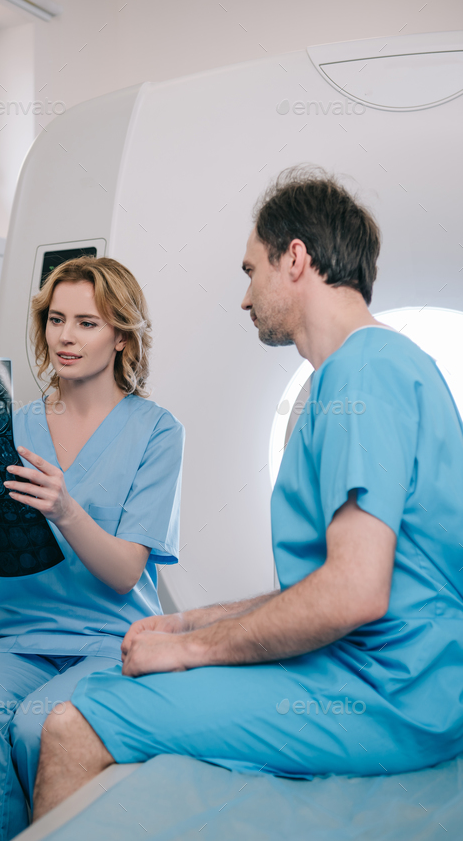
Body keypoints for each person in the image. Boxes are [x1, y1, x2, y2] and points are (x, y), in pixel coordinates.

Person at [31, 167, 463, 820]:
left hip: (385, 694)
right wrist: (191, 620)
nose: (244, 297)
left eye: (249, 269)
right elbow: (337, 579)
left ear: (295, 258)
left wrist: (188, 650)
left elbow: (352, 592)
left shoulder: (360, 377)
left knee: (73, 721)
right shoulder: (388, 368)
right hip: (410, 680)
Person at [0, 256, 184, 841]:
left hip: (111, 642)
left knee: (39, 727)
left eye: (87, 322)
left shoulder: (157, 431)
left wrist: (65, 508)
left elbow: (124, 573)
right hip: (21, 640)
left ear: (122, 335)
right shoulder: (8, 426)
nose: (65, 336)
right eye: (57, 319)